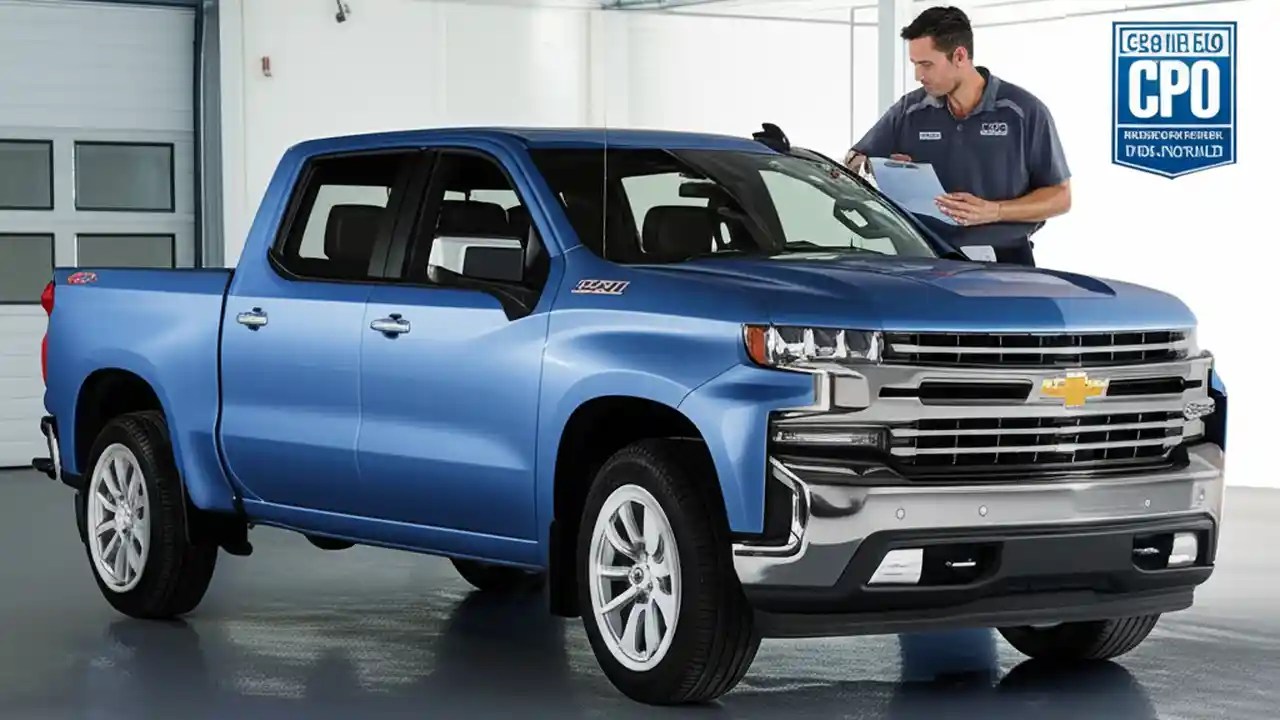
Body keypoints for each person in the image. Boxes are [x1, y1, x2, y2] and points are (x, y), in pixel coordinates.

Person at [844, 6, 1071, 266]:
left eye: (926, 64)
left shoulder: (1023, 112)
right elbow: (853, 163)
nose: (918, 75)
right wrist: (880, 168)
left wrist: (995, 211)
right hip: (926, 259)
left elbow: (1060, 197)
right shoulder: (909, 110)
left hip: (1006, 263)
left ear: (959, 56)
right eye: (915, 64)